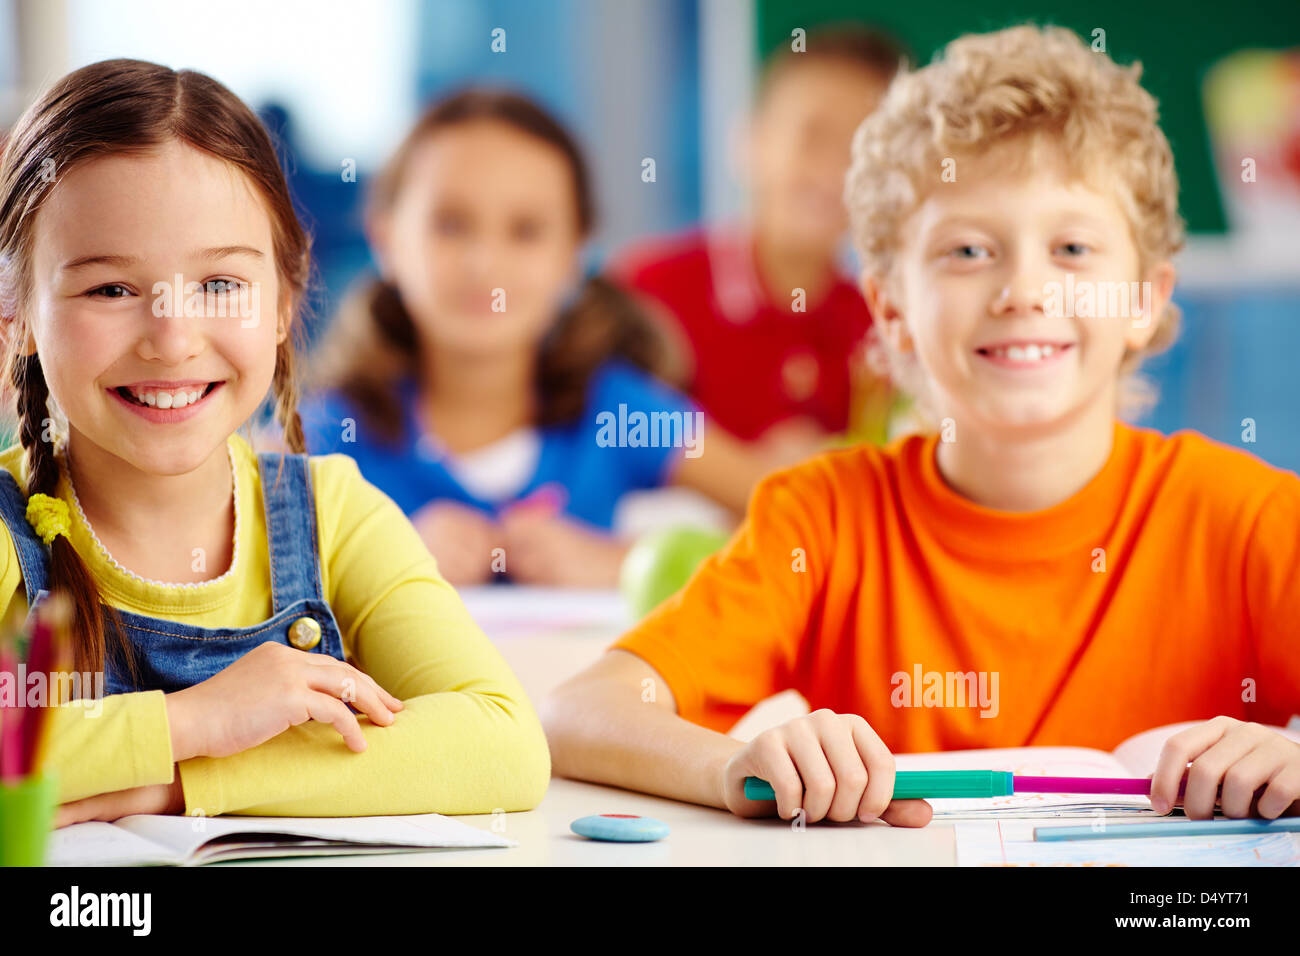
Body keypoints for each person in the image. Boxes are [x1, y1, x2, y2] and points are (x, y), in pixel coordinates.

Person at [542, 25, 1300, 826]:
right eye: (968, 251)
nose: (1022, 290)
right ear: (892, 309)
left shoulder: (1249, 520)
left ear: (1143, 301)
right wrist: (738, 768)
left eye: (1072, 247)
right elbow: (579, 713)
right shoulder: (824, 519)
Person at [0, 59, 549, 823]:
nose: (172, 338)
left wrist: (178, 785)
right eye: (110, 289)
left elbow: (503, 744)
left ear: (285, 304)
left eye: (220, 284)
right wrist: (194, 721)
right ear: (17, 316)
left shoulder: (335, 513)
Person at [301, 89, 771, 588]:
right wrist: (375, 565)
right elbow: (232, 570)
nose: (485, 264)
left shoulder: (619, 410)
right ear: (386, 240)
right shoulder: (329, 434)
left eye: (526, 230)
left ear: (574, 258)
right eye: (451, 225)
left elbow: (801, 528)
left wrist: (627, 563)